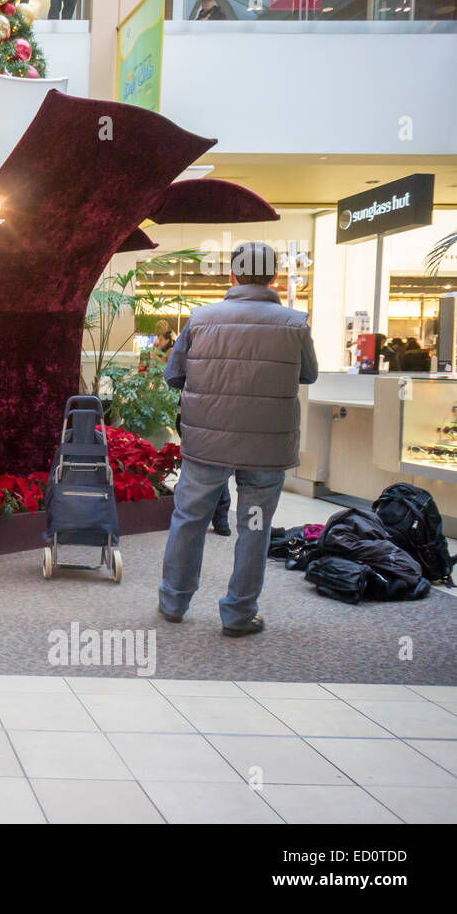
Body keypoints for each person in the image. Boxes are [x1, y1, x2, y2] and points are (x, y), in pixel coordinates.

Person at [158, 242, 318, 637]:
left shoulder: (201, 319)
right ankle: (239, 614)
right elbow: (309, 375)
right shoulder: (295, 323)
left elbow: (173, 375)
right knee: (254, 525)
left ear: (232, 275)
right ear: (275, 277)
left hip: (206, 444)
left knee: (190, 520)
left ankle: (174, 601)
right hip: (266, 449)